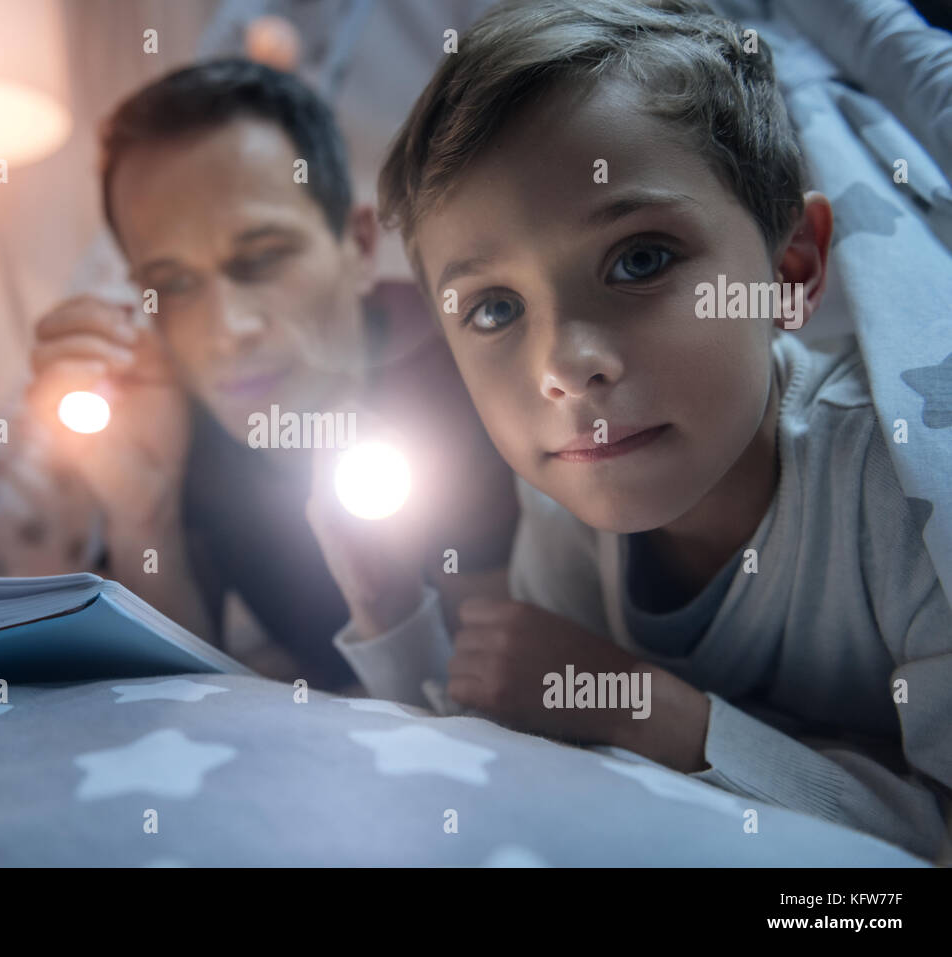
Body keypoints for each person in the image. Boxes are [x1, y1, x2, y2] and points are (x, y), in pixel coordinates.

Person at [317, 0, 952, 860]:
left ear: (791, 269)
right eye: (495, 308)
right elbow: (518, 758)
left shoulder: (910, 493)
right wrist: (392, 613)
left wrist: (650, 710)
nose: (566, 365)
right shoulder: (564, 498)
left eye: (641, 259)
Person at [27, 58, 518, 693]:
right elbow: (168, 707)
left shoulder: (471, 371)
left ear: (361, 246)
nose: (225, 328)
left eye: (261, 259)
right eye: (172, 284)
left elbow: (485, 703)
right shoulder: (173, 419)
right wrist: (140, 511)